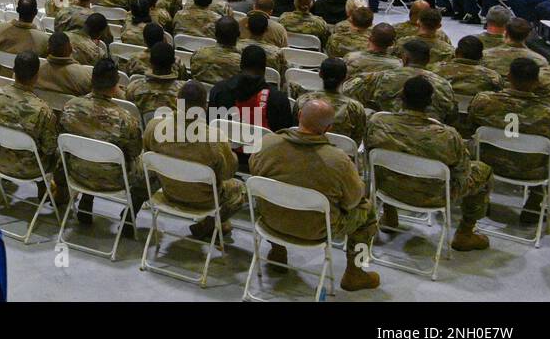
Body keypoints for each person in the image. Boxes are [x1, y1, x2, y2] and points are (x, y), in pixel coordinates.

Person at [250, 98, 381, 292]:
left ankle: (277, 251)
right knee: (367, 212)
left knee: (271, 194)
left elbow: (255, 174)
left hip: (270, 219)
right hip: (317, 229)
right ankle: (356, 273)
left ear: (300, 115)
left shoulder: (266, 144)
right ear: (328, 128)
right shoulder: (339, 161)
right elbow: (354, 200)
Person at [364, 75, 492, 252]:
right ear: (430, 102)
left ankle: (389, 214)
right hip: (434, 196)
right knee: (484, 170)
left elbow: (368, 160)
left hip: (386, 188)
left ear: (401, 98)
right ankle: (465, 233)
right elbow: (462, 175)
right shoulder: (448, 136)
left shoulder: (377, 123)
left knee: (389, 165)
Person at [142, 80, 242, 241]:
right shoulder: (215, 139)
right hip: (205, 202)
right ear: (205, 107)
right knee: (240, 189)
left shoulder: (154, 127)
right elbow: (228, 173)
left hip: (168, 192)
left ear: (176, 101)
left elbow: (147, 158)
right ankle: (209, 224)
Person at [468, 58, 550, 225]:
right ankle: (533, 207)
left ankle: (479, 197)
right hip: (530, 170)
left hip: (484, 162)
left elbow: (470, 125)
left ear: (509, 76)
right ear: (536, 82)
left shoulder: (484, 100)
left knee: (469, 142)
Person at [60, 57, 146, 227]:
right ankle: (129, 215)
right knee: (150, 167)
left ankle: (87, 197)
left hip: (77, 172)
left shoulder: (70, 107)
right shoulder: (126, 119)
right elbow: (135, 152)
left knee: (90, 149)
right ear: (116, 85)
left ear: (92, 81)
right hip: (114, 180)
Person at [0, 51, 66, 208]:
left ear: (14, 71)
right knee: (62, 150)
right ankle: (56, 194)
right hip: (31, 169)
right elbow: (49, 149)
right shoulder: (42, 109)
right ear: (36, 76)